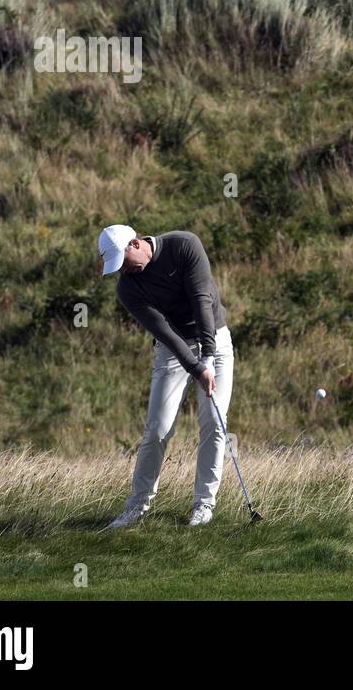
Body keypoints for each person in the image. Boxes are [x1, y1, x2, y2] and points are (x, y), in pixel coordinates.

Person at [96, 224, 234, 528]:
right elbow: (165, 332)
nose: (124, 272)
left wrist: (208, 357)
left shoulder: (184, 244)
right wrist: (196, 367)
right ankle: (137, 506)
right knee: (157, 430)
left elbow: (202, 301)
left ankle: (203, 505)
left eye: (124, 263)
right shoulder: (128, 288)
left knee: (213, 422)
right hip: (173, 351)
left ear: (134, 244)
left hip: (215, 339)